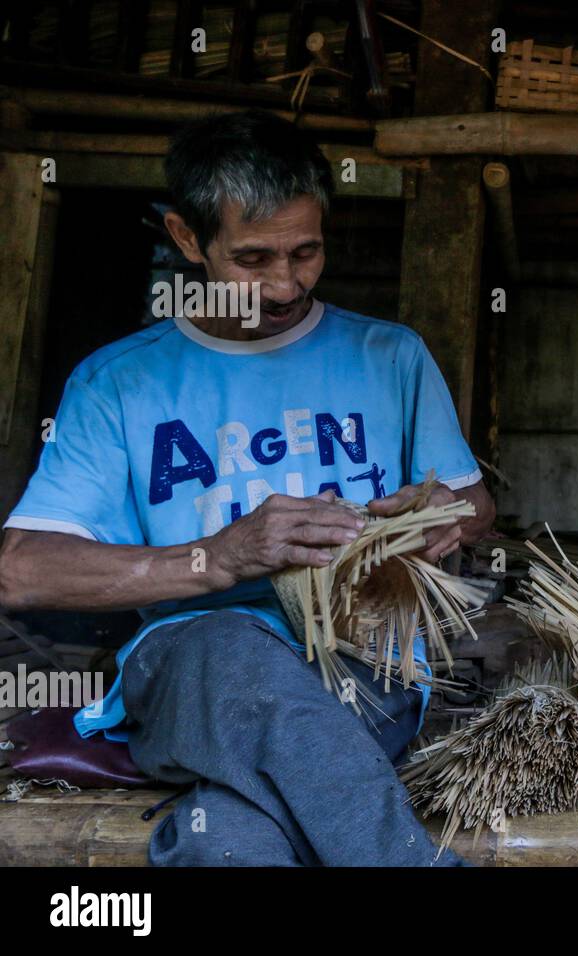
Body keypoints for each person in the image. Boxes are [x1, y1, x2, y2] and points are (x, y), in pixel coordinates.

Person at [0, 109, 495, 866]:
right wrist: (218, 559)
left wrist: (435, 519)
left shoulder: (389, 355)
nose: (286, 283)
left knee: (229, 838)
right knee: (233, 646)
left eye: (307, 252)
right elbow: (20, 568)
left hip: (361, 666)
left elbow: (472, 505)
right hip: (190, 667)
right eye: (254, 257)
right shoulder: (120, 383)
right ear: (188, 238)